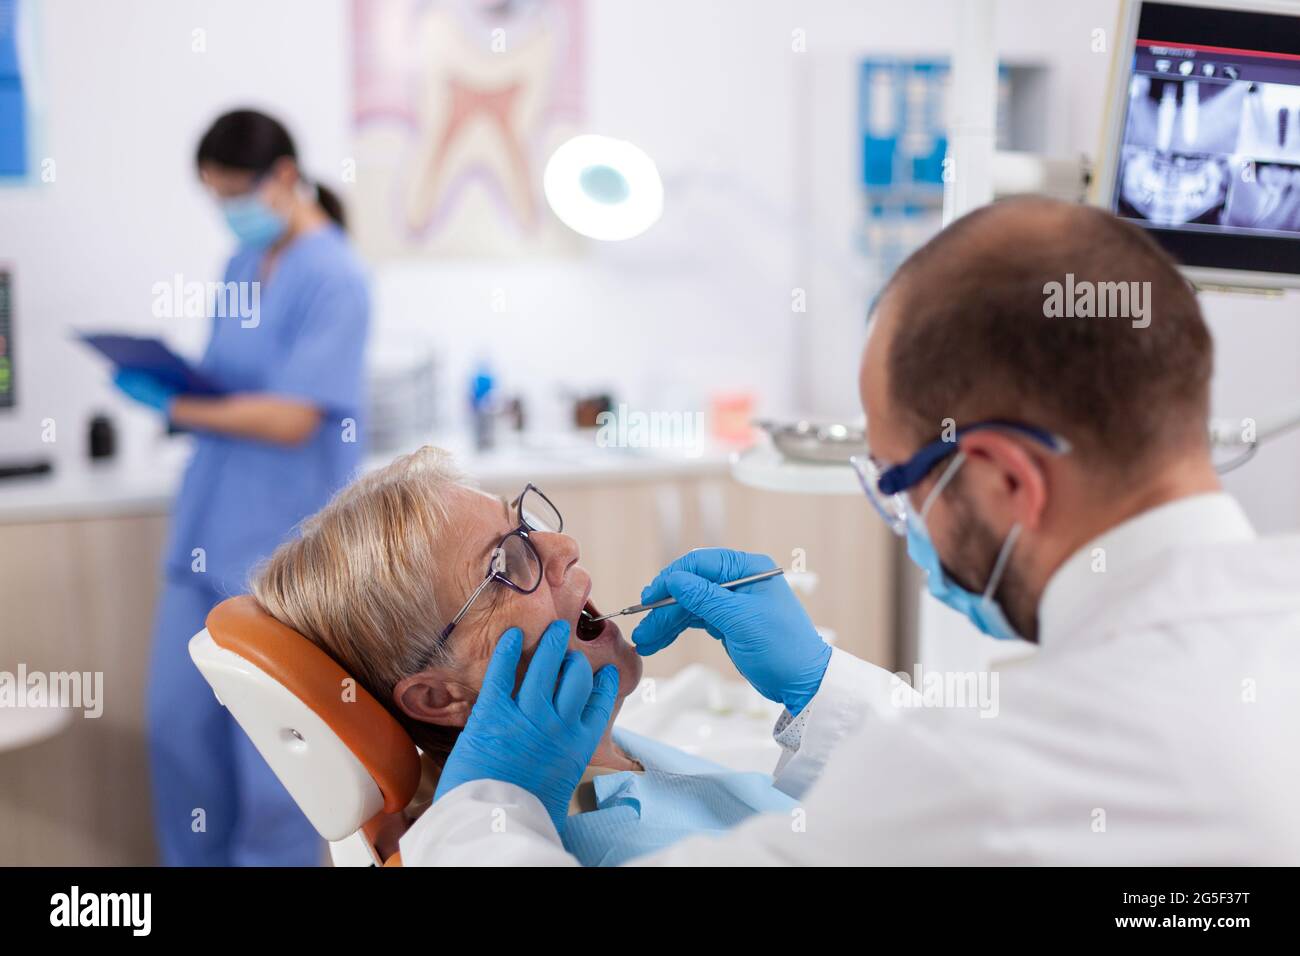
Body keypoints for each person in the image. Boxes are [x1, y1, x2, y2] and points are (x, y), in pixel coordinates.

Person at [399, 197, 1300, 865]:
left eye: (900, 482)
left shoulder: (993, 781)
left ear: (1007, 480)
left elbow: (953, 795)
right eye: (508, 559)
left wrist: (488, 804)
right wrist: (825, 688)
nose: (564, 551)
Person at [249, 447, 797, 866]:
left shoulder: (616, 752)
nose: (564, 545)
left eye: (526, 527)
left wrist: (816, 696)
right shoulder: (595, 844)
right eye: (505, 563)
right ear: (439, 696)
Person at [117, 109, 371, 866]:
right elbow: (234, 383)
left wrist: (177, 406)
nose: (230, 211)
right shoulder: (239, 266)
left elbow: (294, 417)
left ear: (284, 177)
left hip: (283, 560)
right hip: (204, 540)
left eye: (235, 193)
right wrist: (178, 383)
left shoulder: (338, 277)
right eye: (216, 196)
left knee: (275, 772)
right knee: (178, 737)